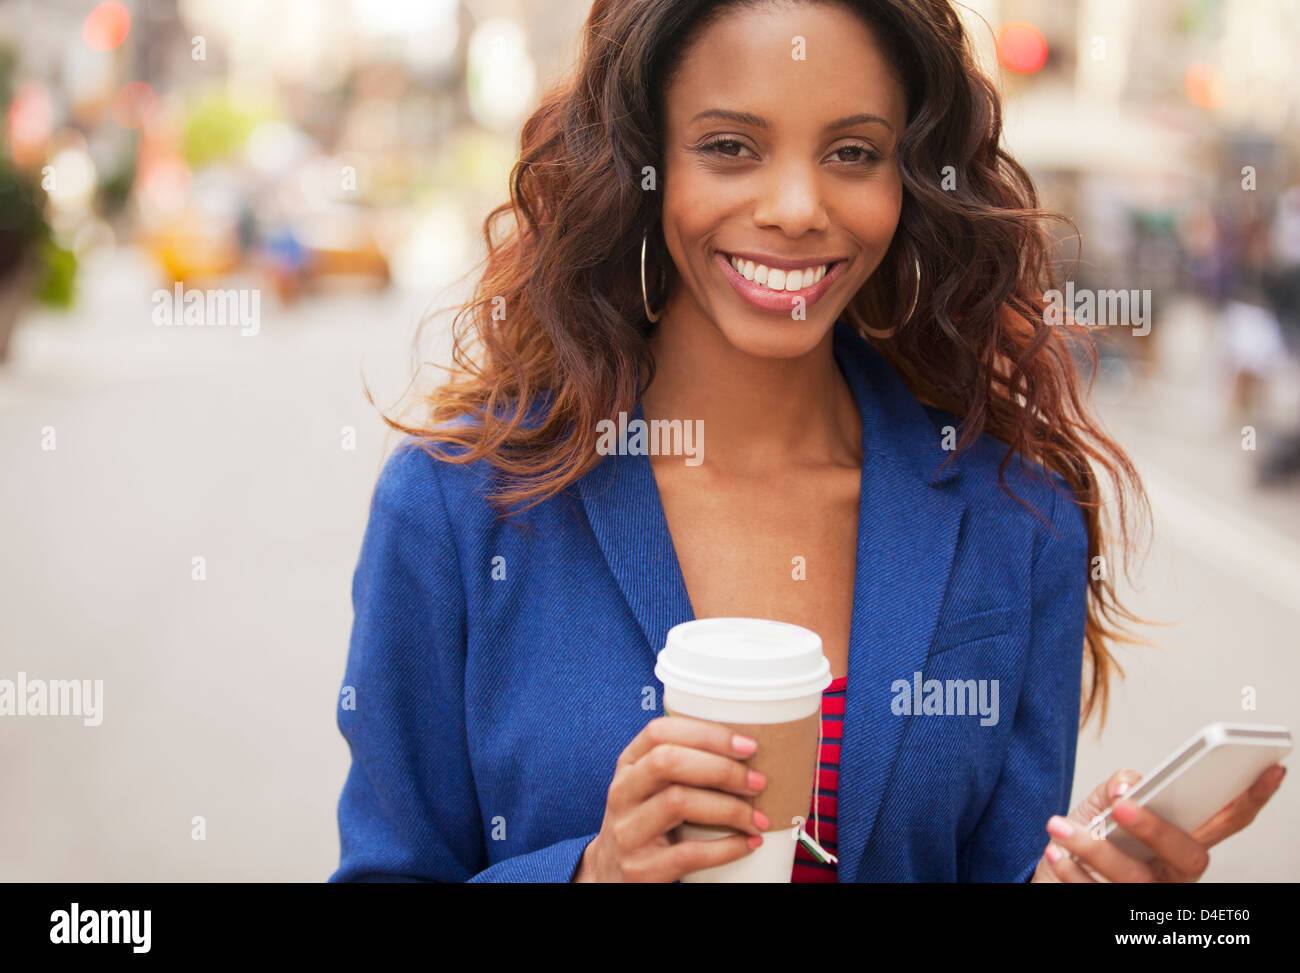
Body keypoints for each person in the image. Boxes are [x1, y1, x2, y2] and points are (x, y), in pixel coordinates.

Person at [329, 0, 1286, 883]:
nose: (796, 206)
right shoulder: (457, 504)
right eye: (731, 146)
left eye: (854, 153)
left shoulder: (1016, 517)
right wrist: (592, 874)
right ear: (643, 164)